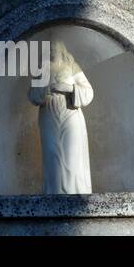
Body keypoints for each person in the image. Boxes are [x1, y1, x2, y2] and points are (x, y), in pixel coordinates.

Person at [28, 41, 94, 194]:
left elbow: (88, 92)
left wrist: (69, 88)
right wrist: (45, 89)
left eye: (54, 49)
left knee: (72, 153)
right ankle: (54, 192)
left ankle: (76, 193)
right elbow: (32, 95)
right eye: (49, 49)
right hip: (49, 115)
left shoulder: (72, 66)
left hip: (70, 114)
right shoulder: (42, 70)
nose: (52, 52)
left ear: (62, 50)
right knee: (51, 153)